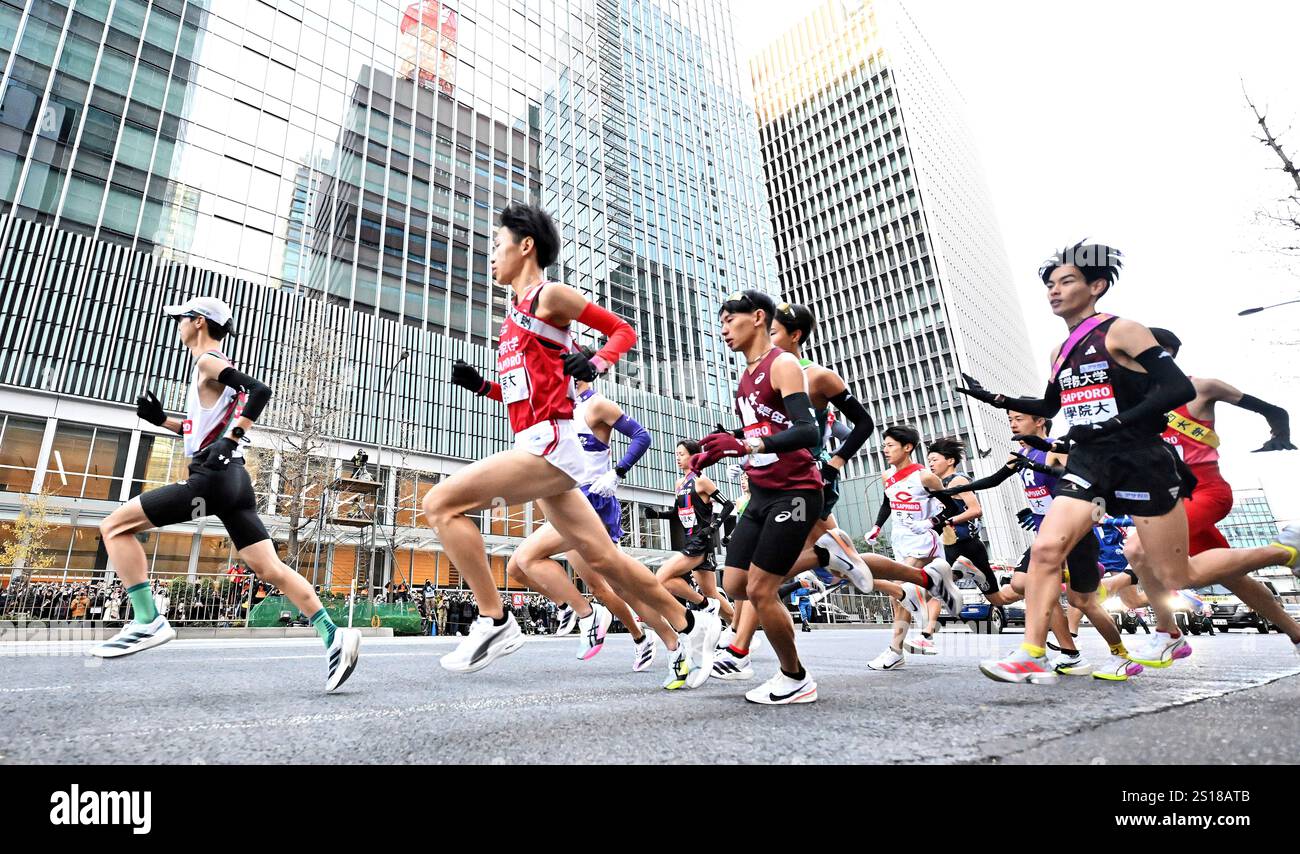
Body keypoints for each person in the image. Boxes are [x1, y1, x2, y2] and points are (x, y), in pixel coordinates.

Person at [426, 203, 720, 684]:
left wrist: (598, 363)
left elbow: (623, 331)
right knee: (604, 559)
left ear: (526, 246)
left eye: (497, 247)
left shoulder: (550, 296)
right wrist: (481, 386)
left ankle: (494, 620)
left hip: (551, 447)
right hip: (538, 441)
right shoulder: (513, 317)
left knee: (441, 505)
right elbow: (529, 392)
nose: (492, 258)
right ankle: (692, 624)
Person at [958, 241, 1206, 683]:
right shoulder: (1060, 351)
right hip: (1089, 461)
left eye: (1066, 281)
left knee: (1176, 573)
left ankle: (1281, 554)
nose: (1054, 291)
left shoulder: (1122, 330)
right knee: (1047, 548)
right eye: (1050, 284)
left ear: (1097, 285)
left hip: (1138, 456)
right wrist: (991, 398)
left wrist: (1109, 423)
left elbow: (1176, 389)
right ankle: (1033, 651)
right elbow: (1049, 404)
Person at [92, 295, 361, 691]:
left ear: (198, 322)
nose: (178, 325)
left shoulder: (207, 361)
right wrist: (161, 419)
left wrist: (232, 436)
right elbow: (199, 431)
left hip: (212, 477)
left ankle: (148, 620)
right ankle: (334, 636)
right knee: (268, 568)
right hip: (234, 480)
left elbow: (260, 391)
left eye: (181, 318)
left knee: (114, 527)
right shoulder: (209, 370)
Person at [692, 289, 827, 704]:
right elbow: (759, 433)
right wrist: (723, 442)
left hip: (797, 491)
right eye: (720, 324)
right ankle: (826, 557)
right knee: (735, 584)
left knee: (762, 590)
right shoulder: (745, 376)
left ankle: (795, 677)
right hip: (762, 492)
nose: (723, 331)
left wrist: (747, 447)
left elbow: (808, 431)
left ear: (756, 317)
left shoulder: (782, 364)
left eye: (728, 321)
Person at [507, 363, 667, 674]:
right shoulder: (560, 410)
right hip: (568, 503)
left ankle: (673, 630)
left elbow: (641, 436)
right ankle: (640, 637)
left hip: (595, 503)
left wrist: (617, 473)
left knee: (524, 560)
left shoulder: (598, 405)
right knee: (606, 587)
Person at [862, 425, 965, 670]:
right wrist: (877, 527)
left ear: (907, 447)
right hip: (900, 539)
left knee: (900, 589)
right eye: (884, 445)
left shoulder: (925, 477)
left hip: (923, 540)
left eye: (890, 445)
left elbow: (952, 509)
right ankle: (949, 579)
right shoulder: (888, 476)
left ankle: (894, 651)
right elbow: (888, 503)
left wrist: (928, 523)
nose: (884, 450)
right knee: (897, 597)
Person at [650, 440, 735, 623]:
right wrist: (656, 514)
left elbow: (728, 505)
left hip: (701, 542)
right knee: (712, 593)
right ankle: (739, 629)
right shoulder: (679, 483)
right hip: (690, 540)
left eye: (681, 454)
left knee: (662, 578)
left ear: (694, 456)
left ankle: (702, 605)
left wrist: (713, 527)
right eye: (676, 455)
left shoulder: (701, 481)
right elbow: (676, 513)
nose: (677, 458)